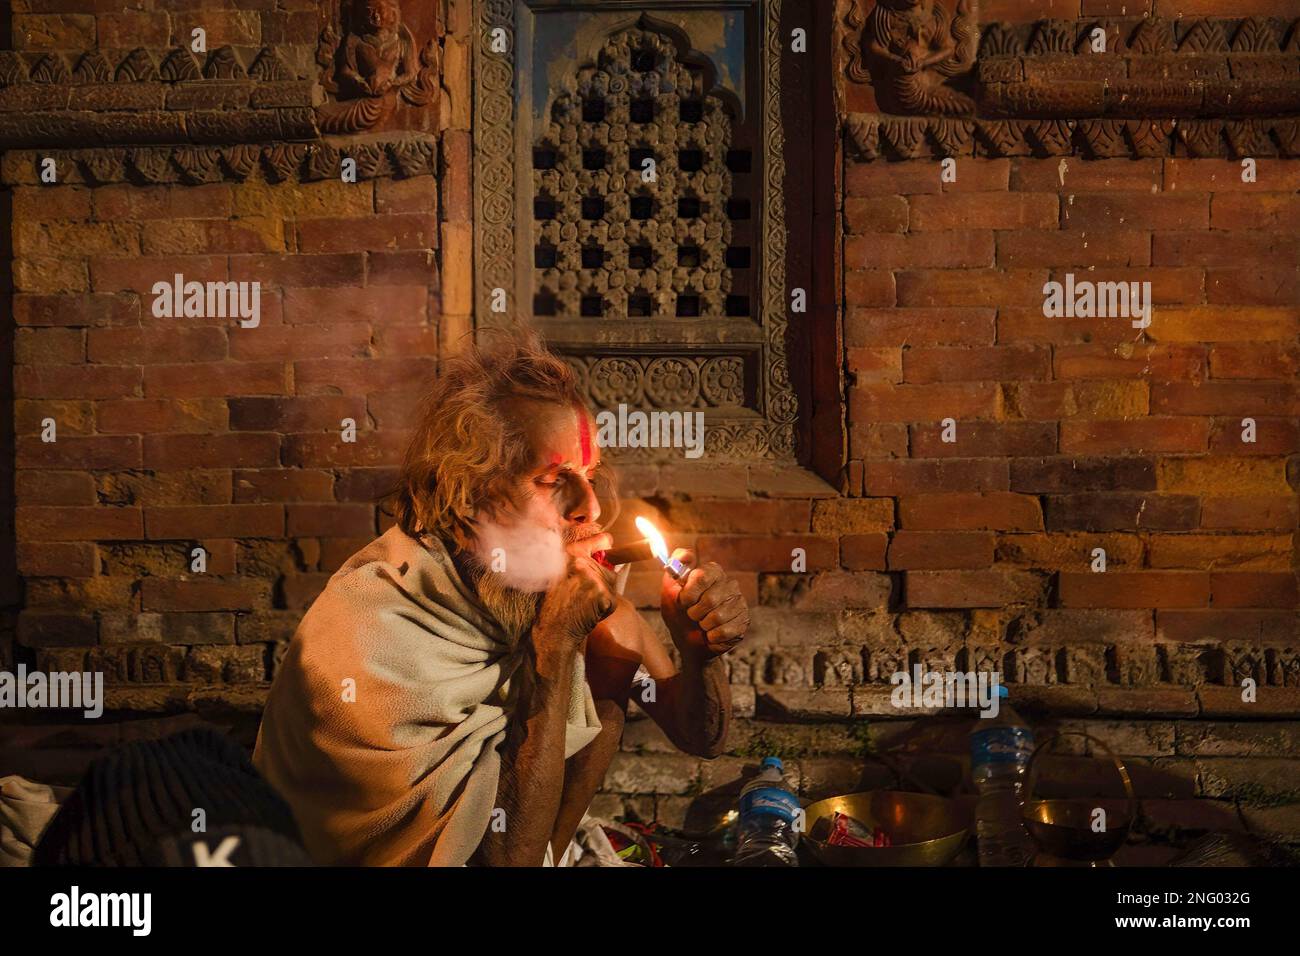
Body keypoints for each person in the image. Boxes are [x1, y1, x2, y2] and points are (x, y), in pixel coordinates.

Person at [253, 332, 750, 865]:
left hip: (529, 852)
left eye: (588, 475)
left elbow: (704, 738)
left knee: (606, 669)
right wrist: (554, 648)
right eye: (552, 479)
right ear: (469, 495)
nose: (590, 509)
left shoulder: (578, 609)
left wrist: (698, 652)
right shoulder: (373, 631)